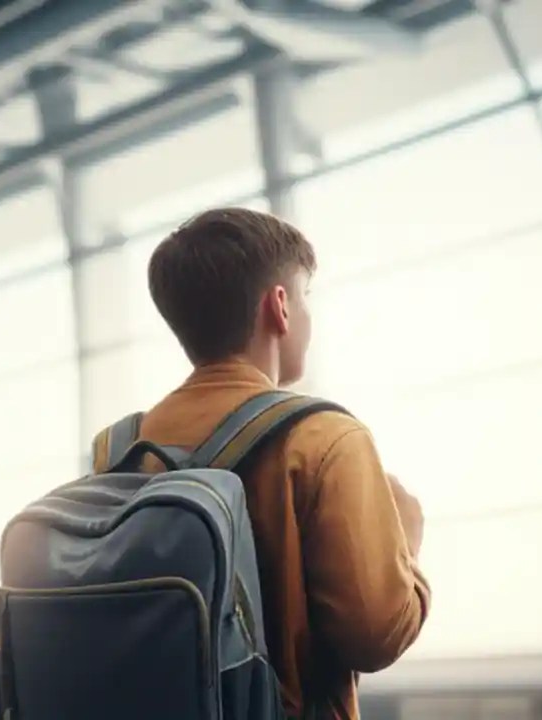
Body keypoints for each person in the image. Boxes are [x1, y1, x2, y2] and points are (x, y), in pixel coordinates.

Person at [135, 207, 429, 720]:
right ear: (279, 307)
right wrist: (406, 539)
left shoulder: (124, 449)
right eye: (304, 296)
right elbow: (375, 637)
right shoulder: (324, 438)